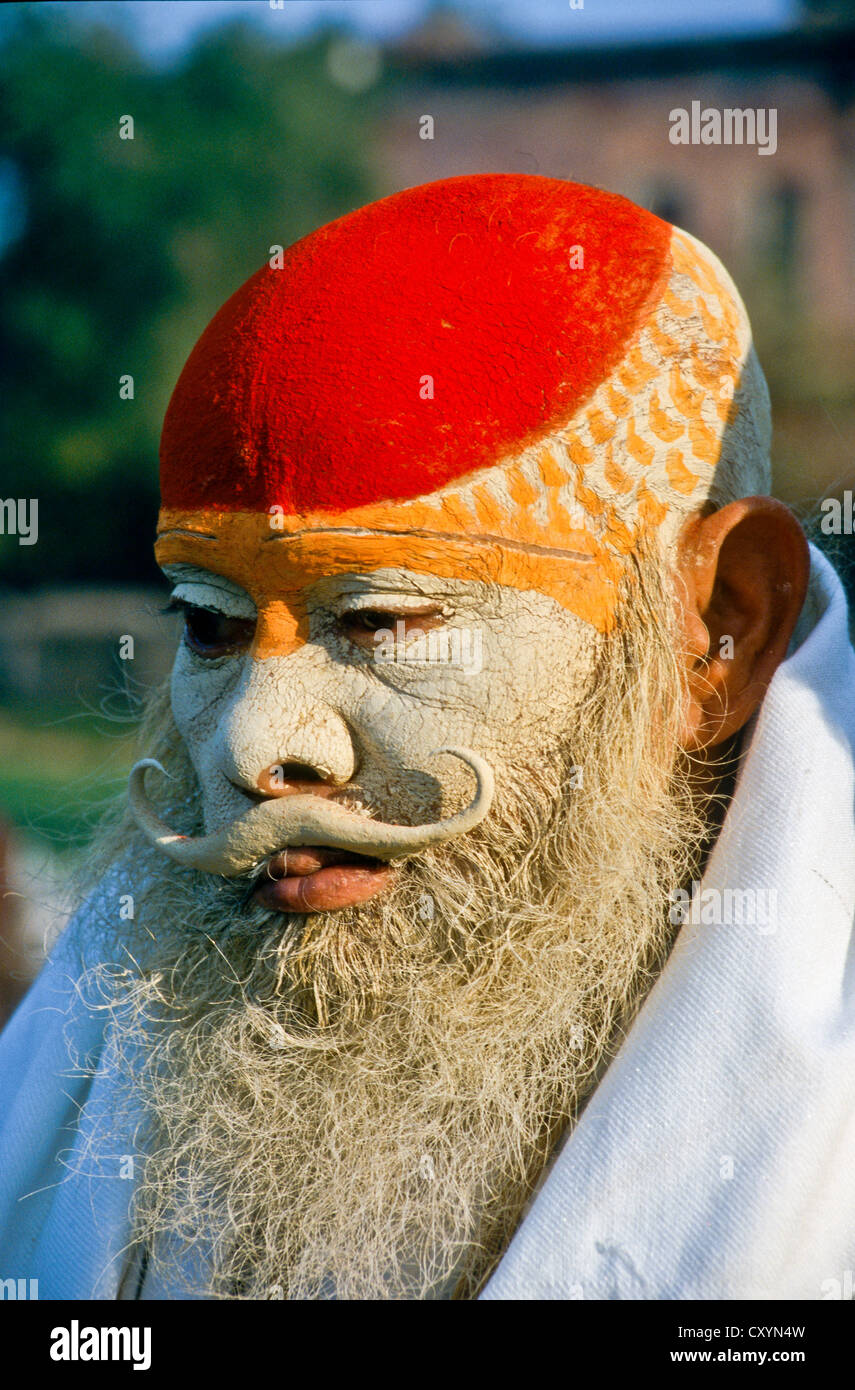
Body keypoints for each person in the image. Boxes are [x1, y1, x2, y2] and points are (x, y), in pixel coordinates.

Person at [1, 174, 853, 1301]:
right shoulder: (83, 1050)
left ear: (719, 628)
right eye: (209, 625)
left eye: (381, 622)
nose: (252, 751)